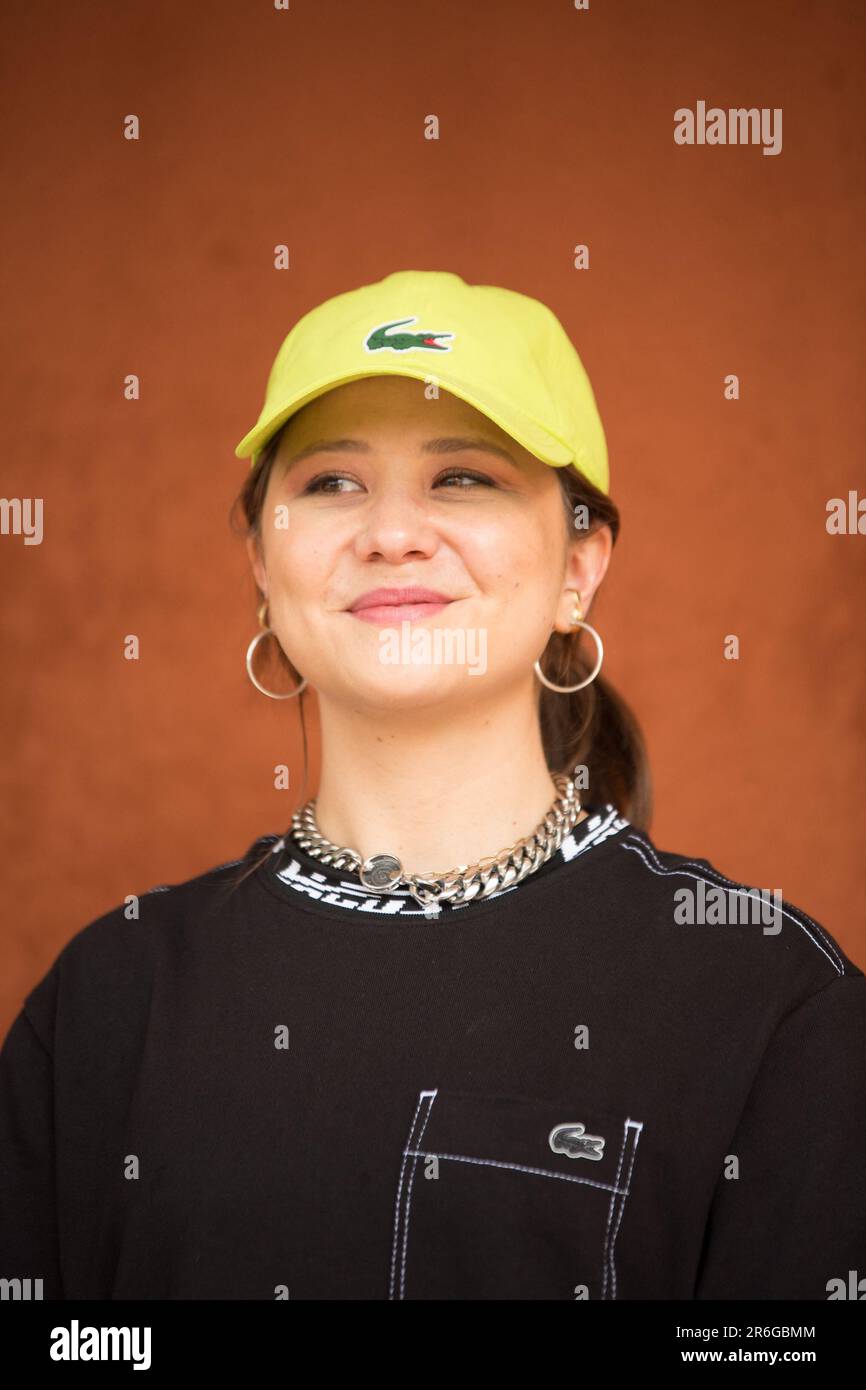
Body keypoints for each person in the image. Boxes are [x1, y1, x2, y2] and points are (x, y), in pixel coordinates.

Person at [1, 269, 864, 1301]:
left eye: (463, 477)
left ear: (577, 565)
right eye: (329, 482)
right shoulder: (111, 997)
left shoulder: (767, 996)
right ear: (262, 567)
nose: (392, 531)